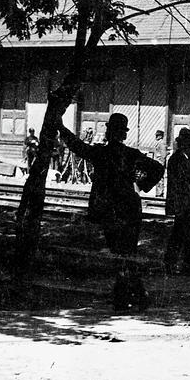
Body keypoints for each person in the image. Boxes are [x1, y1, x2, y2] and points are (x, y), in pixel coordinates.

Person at [59, 112, 164, 310]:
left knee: (118, 253)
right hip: (131, 209)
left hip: (110, 210)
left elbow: (77, 146)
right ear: (124, 134)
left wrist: (62, 129)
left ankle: (128, 296)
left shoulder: (100, 153)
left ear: (107, 132)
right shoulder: (132, 154)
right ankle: (132, 295)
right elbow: (158, 169)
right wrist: (141, 185)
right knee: (128, 252)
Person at [164, 127, 190, 278]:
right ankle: (181, 266)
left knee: (181, 233)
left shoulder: (180, 158)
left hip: (184, 202)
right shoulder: (180, 159)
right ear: (186, 144)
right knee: (185, 234)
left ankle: (174, 264)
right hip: (182, 202)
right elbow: (188, 179)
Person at [153, 128, 168, 198]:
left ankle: (160, 193)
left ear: (160, 136)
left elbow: (163, 155)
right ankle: (158, 192)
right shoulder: (159, 143)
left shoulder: (162, 144)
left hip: (160, 163)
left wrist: (162, 164)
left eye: (157, 136)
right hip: (157, 162)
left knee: (160, 178)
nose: (156, 137)